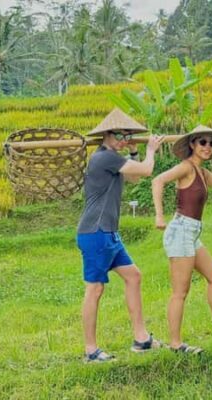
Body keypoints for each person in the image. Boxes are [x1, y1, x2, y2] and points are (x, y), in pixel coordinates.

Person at [77, 108, 165, 362]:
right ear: (106, 135)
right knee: (95, 289)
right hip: (95, 233)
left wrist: (136, 152)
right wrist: (149, 151)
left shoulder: (115, 158)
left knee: (134, 276)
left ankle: (141, 338)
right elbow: (147, 171)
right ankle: (91, 351)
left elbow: (134, 178)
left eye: (127, 136)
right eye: (119, 135)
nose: (123, 140)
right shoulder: (104, 158)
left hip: (109, 234)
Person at [152, 125, 212, 354]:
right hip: (181, 230)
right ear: (192, 144)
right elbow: (158, 180)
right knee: (180, 291)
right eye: (202, 142)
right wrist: (158, 215)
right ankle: (175, 344)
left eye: (211, 143)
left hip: (192, 232)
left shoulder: (202, 172)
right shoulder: (185, 167)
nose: (207, 147)